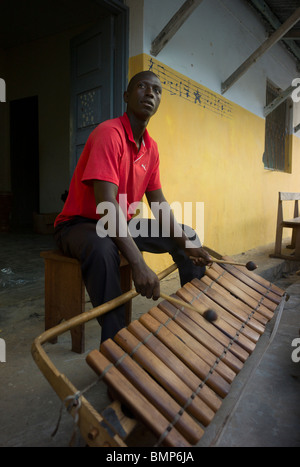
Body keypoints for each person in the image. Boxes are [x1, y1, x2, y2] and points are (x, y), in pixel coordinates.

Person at [54, 70, 212, 343]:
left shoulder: (151, 148)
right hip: (78, 224)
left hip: (119, 221)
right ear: (127, 97)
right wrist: (139, 263)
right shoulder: (109, 133)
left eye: (157, 90)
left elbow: (158, 202)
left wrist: (185, 242)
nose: (150, 93)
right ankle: (115, 344)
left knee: (187, 235)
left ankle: (190, 325)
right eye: (142, 86)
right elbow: (106, 204)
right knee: (104, 249)